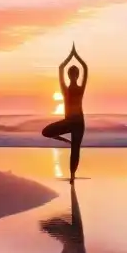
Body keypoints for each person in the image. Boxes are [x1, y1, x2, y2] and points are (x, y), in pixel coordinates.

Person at [41, 43, 88, 182]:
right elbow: (60, 68)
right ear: (69, 76)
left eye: (75, 75)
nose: (73, 76)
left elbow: (85, 68)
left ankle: (72, 177)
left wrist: (77, 57)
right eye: (71, 74)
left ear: (77, 76)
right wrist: (70, 56)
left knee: (75, 150)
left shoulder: (81, 88)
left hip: (79, 123)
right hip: (68, 121)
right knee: (46, 132)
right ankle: (65, 140)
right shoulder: (64, 89)